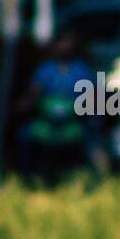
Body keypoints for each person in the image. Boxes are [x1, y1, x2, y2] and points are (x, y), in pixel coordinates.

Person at [16, 32, 98, 181]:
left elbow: (91, 96)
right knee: (25, 137)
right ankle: (26, 176)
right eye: (61, 42)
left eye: (68, 42)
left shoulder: (82, 70)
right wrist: (27, 103)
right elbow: (34, 91)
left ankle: (90, 177)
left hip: (73, 121)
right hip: (46, 121)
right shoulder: (46, 69)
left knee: (90, 141)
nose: (64, 46)